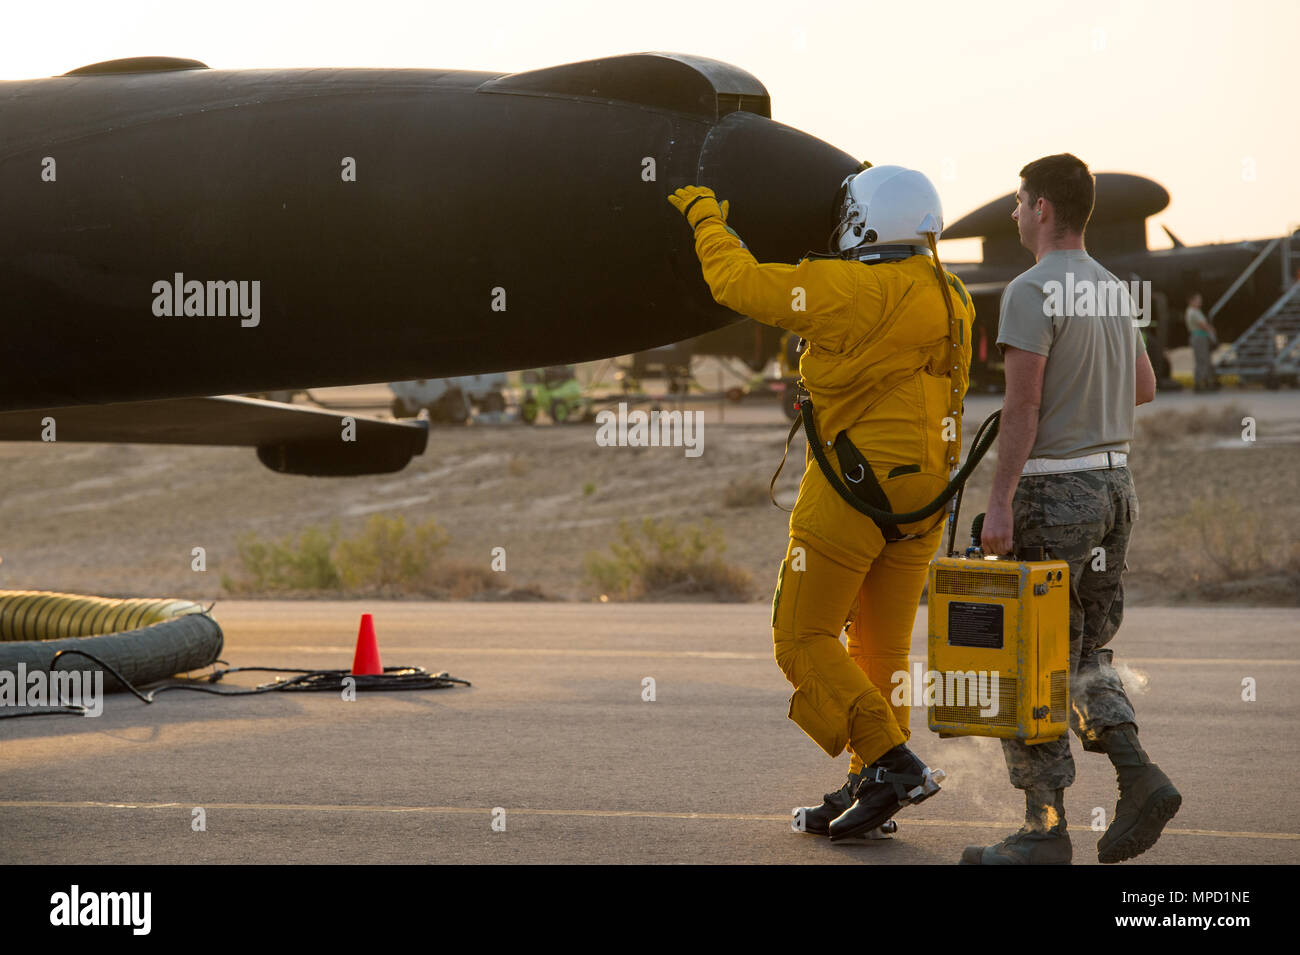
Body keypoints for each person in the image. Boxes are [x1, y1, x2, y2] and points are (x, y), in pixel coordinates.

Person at [669, 165, 976, 840]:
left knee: (802, 638)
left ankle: (894, 763)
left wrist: (705, 219)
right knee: (881, 649)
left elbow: (738, 283)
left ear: (865, 223)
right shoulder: (954, 295)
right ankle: (875, 778)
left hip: (853, 490)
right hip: (927, 501)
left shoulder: (848, 288)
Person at [968, 153, 1178, 865]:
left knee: (1030, 658)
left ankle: (1042, 829)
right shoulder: (1114, 289)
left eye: (1020, 202)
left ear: (1043, 209)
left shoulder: (1030, 290)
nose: (1015, 214)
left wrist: (998, 505)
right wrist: (1090, 399)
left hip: (1055, 492)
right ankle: (1137, 774)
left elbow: (1022, 407)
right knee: (1085, 652)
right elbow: (1143, 387)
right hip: (1116, 489)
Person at [1184, 292, 1218, 391]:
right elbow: (1202, 324)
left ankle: (1206, 381)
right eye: (1197, 300)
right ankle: (1200, 383)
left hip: (1201, 337)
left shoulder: (1195, 311)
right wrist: (1211, 329)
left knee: (1205, 359)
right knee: (1202, 360)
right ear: (1191, 301)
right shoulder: (1192, 312)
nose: (1200, 302)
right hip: (1199, 337)